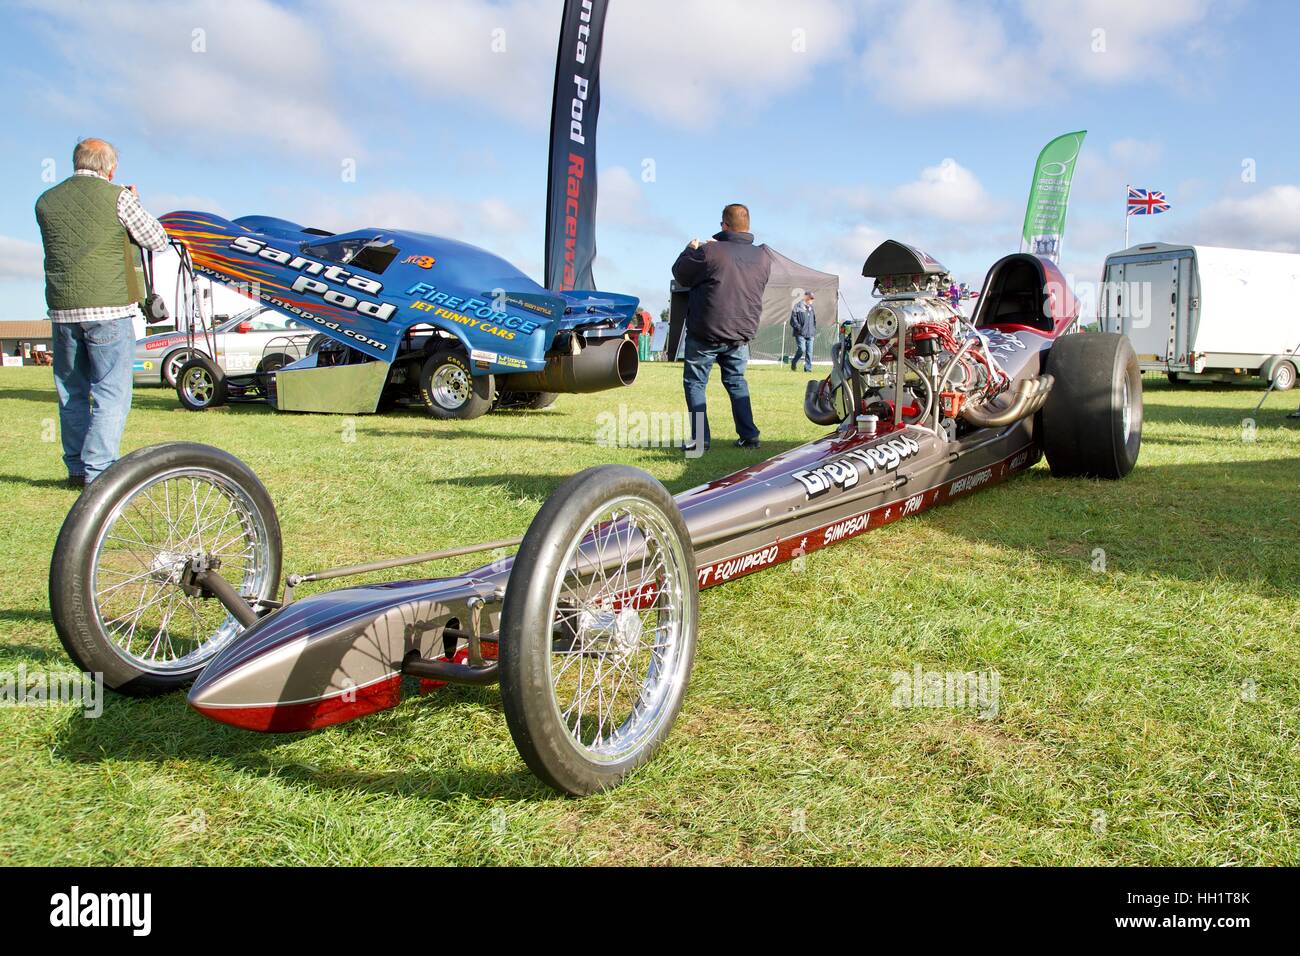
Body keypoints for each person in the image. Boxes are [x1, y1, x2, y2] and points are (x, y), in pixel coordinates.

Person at [35, 138, 168, 488]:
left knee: (72, 392)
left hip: (63, 313)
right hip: (109, 310)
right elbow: (157, 238)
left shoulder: (45, 201)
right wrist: (132, 201)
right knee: (111, 393)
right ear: (111, 168)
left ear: (75, 161)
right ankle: (99, 472)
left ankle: (77, 470)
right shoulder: (118, 198)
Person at [671, 203, 771, 453]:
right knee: (737, 381)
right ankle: (749, 436)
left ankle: (701, 440)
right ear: (747, 226)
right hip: (740, 333)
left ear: (724, 225)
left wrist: (690, 250)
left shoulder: (710, 252)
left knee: (695, 384)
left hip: (706, 331)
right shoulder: (762, 257)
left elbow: (681, 275)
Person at [789, 291, 816, 372]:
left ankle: (808, 368)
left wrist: (813, 330)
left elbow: (814, 321)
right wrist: (799, 328)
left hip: (810, 333)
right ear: (805, 297)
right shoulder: (797, 306)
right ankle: (794, 362)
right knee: (802, 349)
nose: (811, 299)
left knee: (809, 352)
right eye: (810, 297)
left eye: (812, 298)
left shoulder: (811, 308)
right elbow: (792, 320)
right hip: (800, 333)